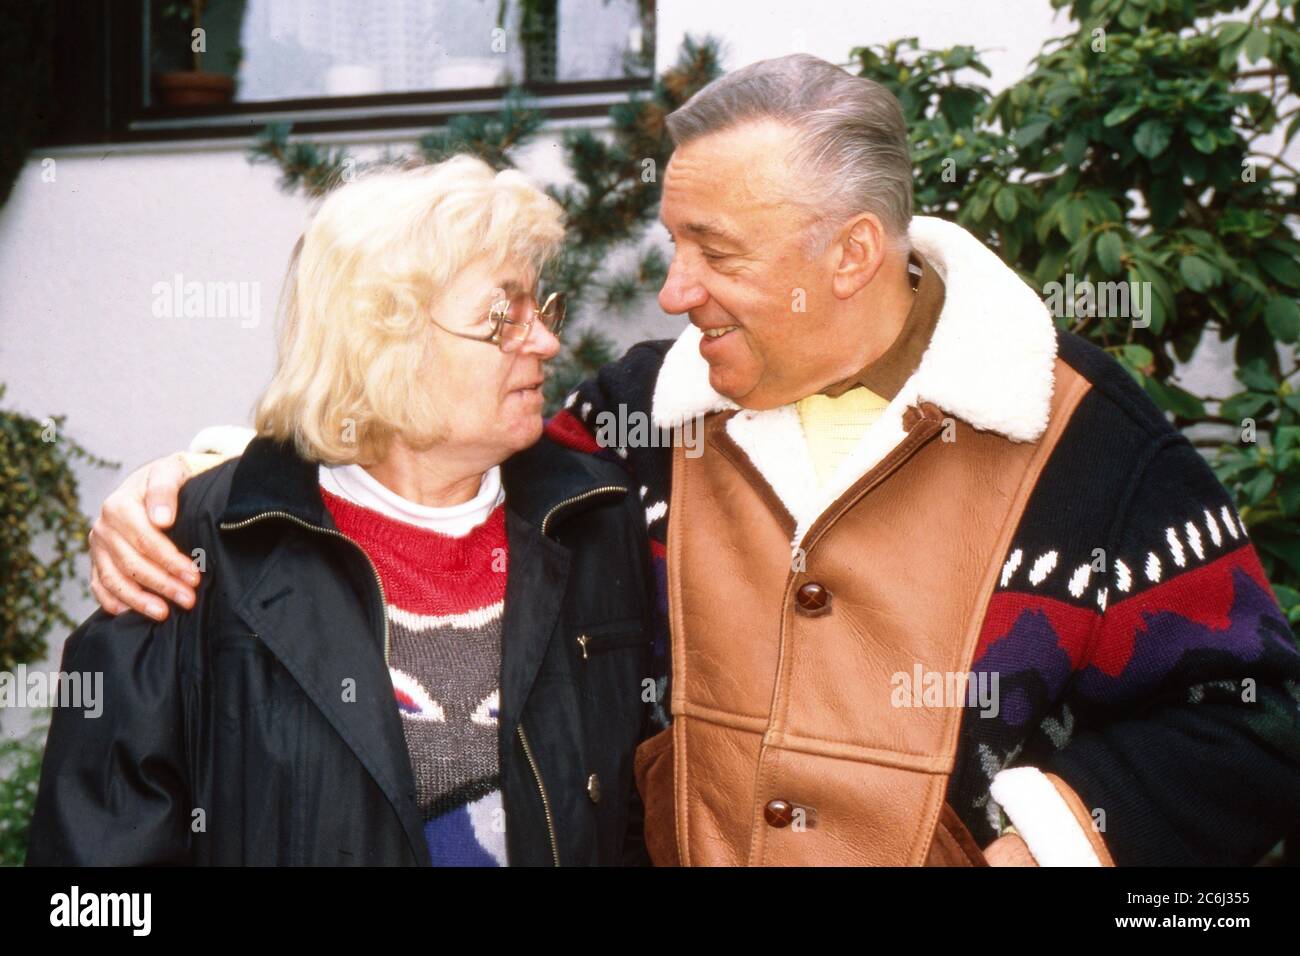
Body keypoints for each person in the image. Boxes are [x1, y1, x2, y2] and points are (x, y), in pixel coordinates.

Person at [84, 55, 1300, 867]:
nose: (671, 293)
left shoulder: (1081, 437)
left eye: (711, 252)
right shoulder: (636, 426)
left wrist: (1052, 827)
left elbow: (1261, 719)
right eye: (672, 244)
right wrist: (198, 485)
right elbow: (413, 455)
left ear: (850, 254)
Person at [28, 156, 656, 866]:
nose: (545, 341)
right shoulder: (189, 550)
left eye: (540, 308)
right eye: (501, 316)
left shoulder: (595, 519)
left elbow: (641, 814)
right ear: (383, 338)